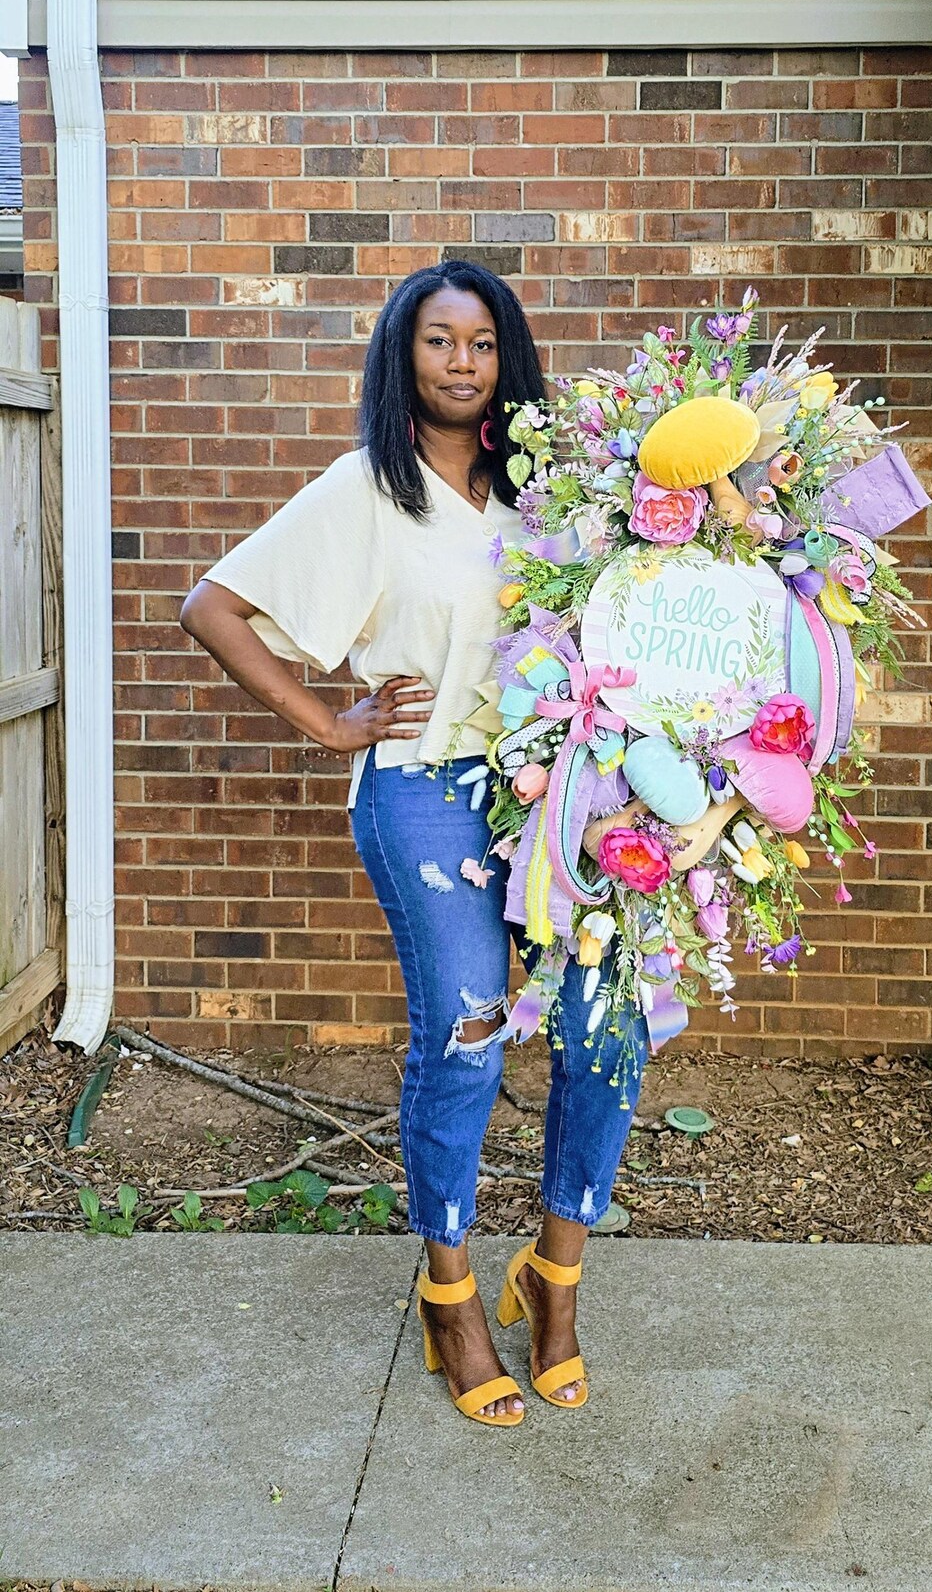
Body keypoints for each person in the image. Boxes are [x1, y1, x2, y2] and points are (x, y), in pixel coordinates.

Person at [180, 260, 647, 1427]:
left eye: (482, 343)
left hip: (562, 794)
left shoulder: (549, 493)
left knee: (606, 1027)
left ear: (507, 359)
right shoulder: (366, 489)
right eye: (439, 340)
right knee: (469, 1034)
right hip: (426, 791)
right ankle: (451, 1295)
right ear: (405, 353)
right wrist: (327, 721)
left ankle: (555, 1275)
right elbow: (213, 608)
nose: (461, 362)